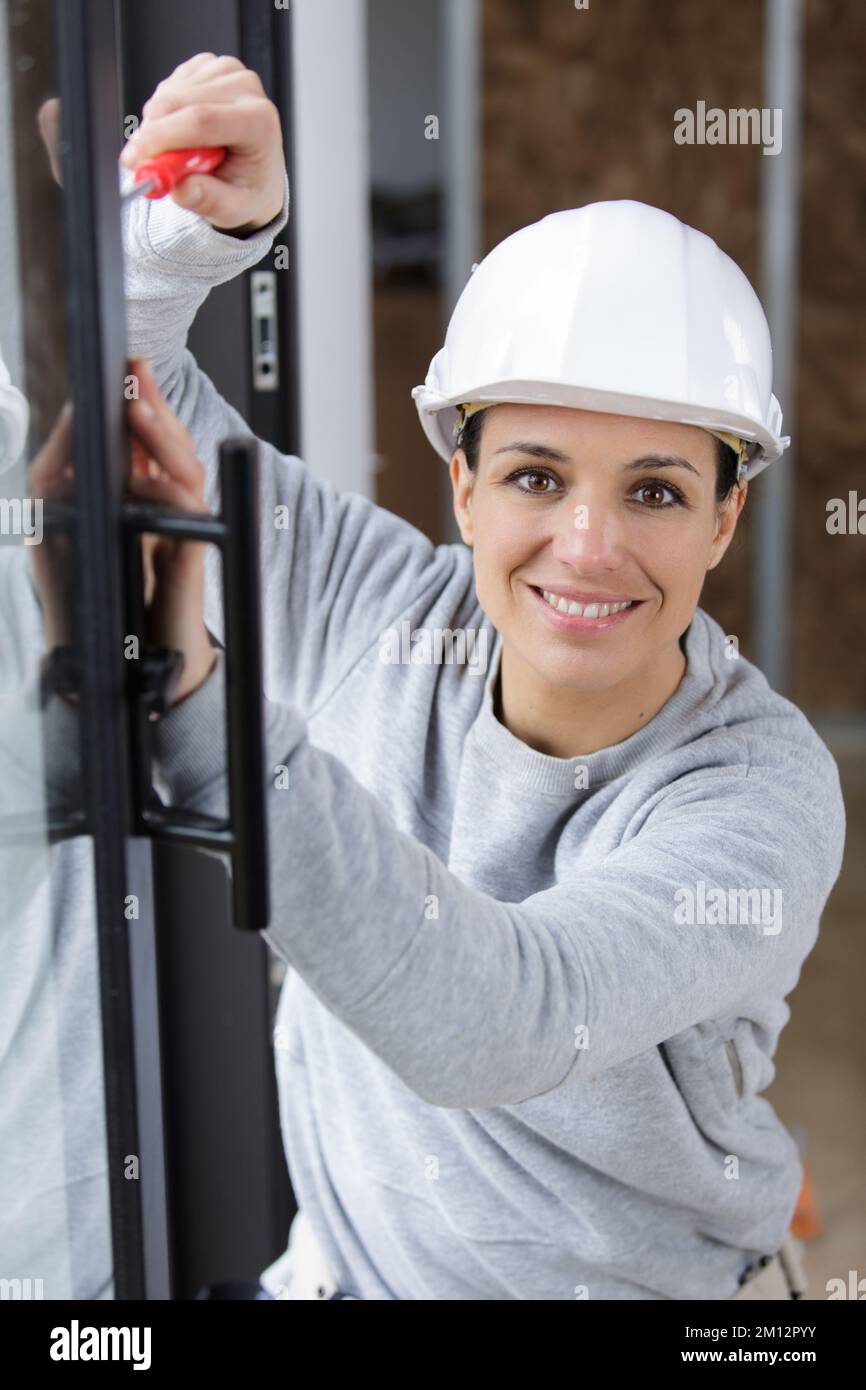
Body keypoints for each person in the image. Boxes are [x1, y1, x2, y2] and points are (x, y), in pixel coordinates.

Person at [117, 53, 844, 1300]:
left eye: (657, 491)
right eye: (533, 475)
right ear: (460, 483)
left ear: (725, 520)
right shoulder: (372, 607)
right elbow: (111, 384)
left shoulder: (758, 797)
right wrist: (193, 233)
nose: (587, 547)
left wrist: (198, 711)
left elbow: (507, 1017)